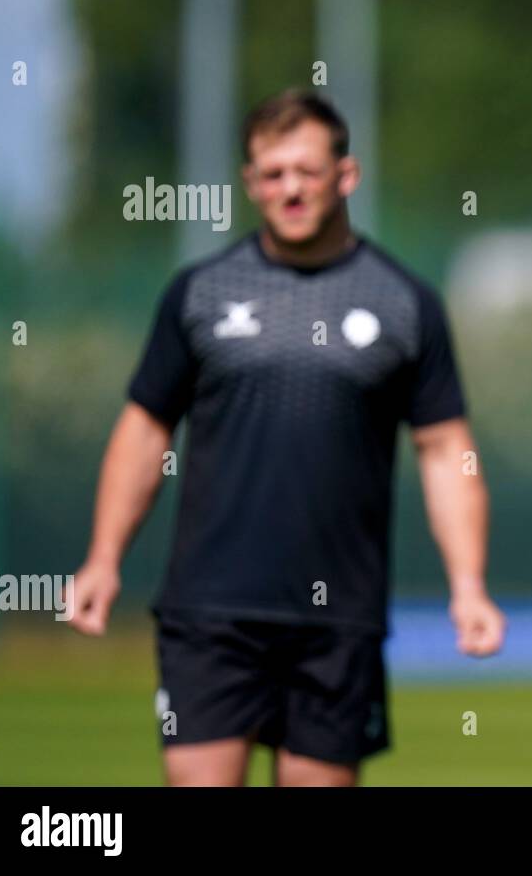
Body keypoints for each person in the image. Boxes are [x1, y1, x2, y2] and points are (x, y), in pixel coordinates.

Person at [67, 90, 506, 786]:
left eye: (306, 170)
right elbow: (145, 427)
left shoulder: (404, 303)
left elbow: (445, 449)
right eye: (272, 174)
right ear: (249, 183)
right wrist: (102, 557)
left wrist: (469, 586)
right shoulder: (200, 293)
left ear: (346, 176)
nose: (290, 189)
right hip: (208, 612)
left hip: (340, 620)